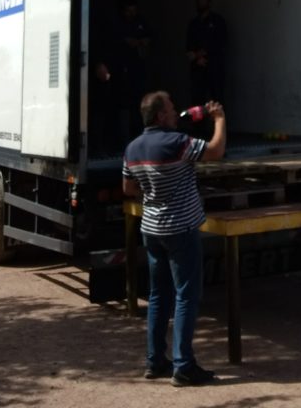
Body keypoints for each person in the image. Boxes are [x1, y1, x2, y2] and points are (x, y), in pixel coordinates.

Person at [123, 91, 226, 387]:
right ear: (160, 116)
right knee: (186, 295)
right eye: (171, 109)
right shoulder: (177, 142)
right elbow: (216, 151)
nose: (176, 113)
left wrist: (154, 192)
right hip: (180, 229)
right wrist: (219, 119)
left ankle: (155, 361)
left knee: (158, 295)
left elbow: (128, 189)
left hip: (151, 229)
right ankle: (183, 366)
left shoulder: (132, 148)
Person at [89, 0, 119, 155]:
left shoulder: (108, 1)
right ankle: (97, 147)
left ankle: (108, 145)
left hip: (112, 60)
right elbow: (94, 34)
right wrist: (98, 62)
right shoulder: (92, 2)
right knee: (98, 107)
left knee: (110, 105)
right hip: (101, 64)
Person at [114, 0, 151, 147]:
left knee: (140, 102)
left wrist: (141, 42)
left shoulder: (140, 22)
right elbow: (117, 40)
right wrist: (128, 41)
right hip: (122, 67)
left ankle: (140, 135)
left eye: (134, 10)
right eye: (128, 11)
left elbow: (149, 38)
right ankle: (124, 139)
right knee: (124, 104)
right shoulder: (118, 24)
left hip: (138, 67)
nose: (131, 13)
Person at [185, 0, 227, 104]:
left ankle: (218, 117)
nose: (201, 3)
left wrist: (203, 53)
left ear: (209, 2)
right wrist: (196, 57)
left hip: (214, 67)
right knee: (197, 100)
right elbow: (189, 48)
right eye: (199, 1)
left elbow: (221, 42)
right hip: (197, 68)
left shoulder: (217, 21)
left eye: (203, 0)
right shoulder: (193, 24)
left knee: (217, 99)